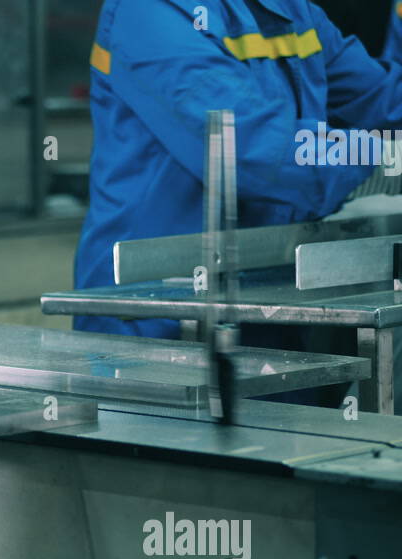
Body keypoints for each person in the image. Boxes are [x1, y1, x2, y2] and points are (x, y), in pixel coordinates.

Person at [75, 0, 402, 341]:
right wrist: (384, 159)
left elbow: (380, 96)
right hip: (158, 304)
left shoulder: (288, 8)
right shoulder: (153, 10)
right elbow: (251, 149)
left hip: (267, 284)